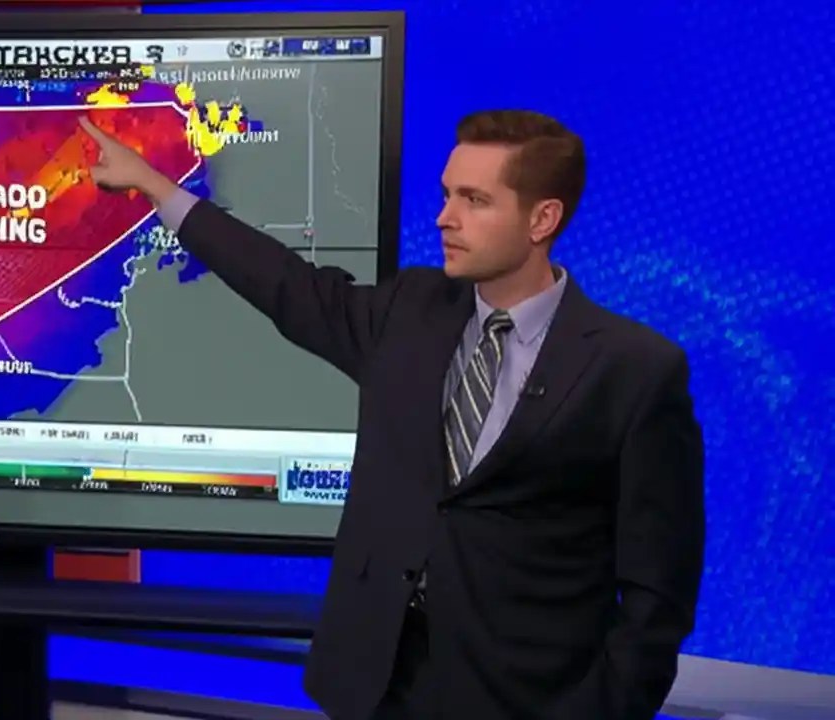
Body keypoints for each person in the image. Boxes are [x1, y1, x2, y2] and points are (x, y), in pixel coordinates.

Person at [77, 109, 705, 720]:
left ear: (543, 219)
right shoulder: (411, 311)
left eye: (474, 201)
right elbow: (287, 285)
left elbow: (659, 590)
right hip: (377, 685)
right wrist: (157, 186)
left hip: (524, 696)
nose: (444, 218)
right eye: (446, 194)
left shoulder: (634, 370)